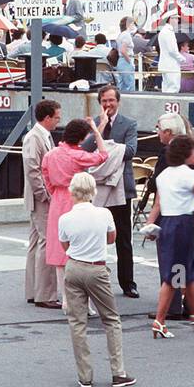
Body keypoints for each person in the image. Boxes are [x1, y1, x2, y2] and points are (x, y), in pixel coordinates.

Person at [58, 172, 135, 387]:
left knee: (77, 322)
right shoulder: (104, 214)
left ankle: (85, 376)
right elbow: (111, 239)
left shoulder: (65, 218)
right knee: (111, 319)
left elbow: (66, 246)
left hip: (74, 268)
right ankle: (118, 372)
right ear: (93, 192)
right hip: (97, 269)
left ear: (72, 192)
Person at [41, 116, 109, 305]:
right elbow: (103, 155)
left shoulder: (51, 154)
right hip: (75, 199)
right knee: (79, 250)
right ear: (81, 138)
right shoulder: (77, 155)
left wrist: (54, 191)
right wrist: (97, 132)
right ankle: (81, 302)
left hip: (58, 200)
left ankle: (65, 299)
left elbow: (45, 174)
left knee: (59, 250)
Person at [147, 134, 194, 339]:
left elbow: (159, 203)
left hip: (168, 223)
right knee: (175, 274)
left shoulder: (163, 175)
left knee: (183, 270)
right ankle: (160, 320)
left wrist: (150, 223)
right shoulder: (188, 175)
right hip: (182, 224)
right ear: (187, 153)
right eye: (193, 152)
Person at [82, 86, 139, 297]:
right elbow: (85, 149)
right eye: (104, 101)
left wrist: (104, 150)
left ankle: (128, 283)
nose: (108, 105)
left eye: (111, 101)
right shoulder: (94, 123)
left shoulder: (129, 124)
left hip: (121, 189)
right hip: (96, 189)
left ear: (118, 101)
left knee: (124, 238)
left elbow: (131, 151)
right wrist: (100, 126)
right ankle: (94, 282)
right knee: (94, 236)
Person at [23, 100, 62, 308]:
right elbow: (32, 169)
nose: (58, 121)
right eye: (56, 117)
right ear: (47, 118)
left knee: (36, 242)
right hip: (41, 198)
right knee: (47, 242)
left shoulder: (41, 136)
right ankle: (45, 294)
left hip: (38, 196)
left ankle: (33, 290)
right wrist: (45, 195)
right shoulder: (35, 138)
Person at [155, 13, 183, 92]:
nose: (178, 21)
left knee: (166, 87)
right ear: (170, 19)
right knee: (173, 87)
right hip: (171, 65)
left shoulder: (163, 31)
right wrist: (181, 58)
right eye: (176, 19)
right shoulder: (168, 32)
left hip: (166, 64)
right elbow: (172, 50)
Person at [112, 18, 137, 91]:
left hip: (121, 61)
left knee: (122, 85)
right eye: (132, 23)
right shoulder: (127, 35)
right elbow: (123, 50)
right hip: (126, 61)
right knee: (129, 85)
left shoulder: (121, 34)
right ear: (128, 24)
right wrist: (129, 61)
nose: (133, 25)